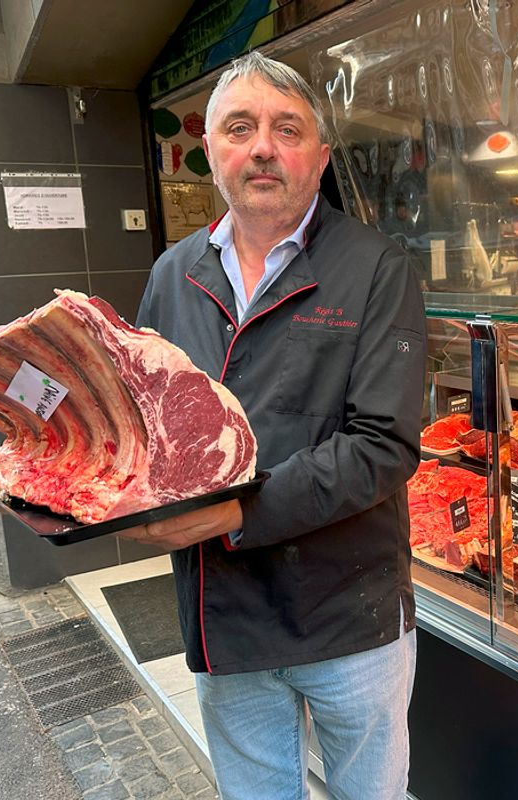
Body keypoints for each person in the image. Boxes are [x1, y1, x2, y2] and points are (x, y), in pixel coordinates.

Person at [124, 52, 425, 799]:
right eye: (241, 127)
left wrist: (231, 514)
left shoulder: (377, 268)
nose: (263, 146)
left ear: (319, 158)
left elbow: (383, 447)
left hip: (348, 615)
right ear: (213, 155)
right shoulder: (173, 272)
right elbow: (141, 423)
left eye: (287, 129)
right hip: (223, 611)